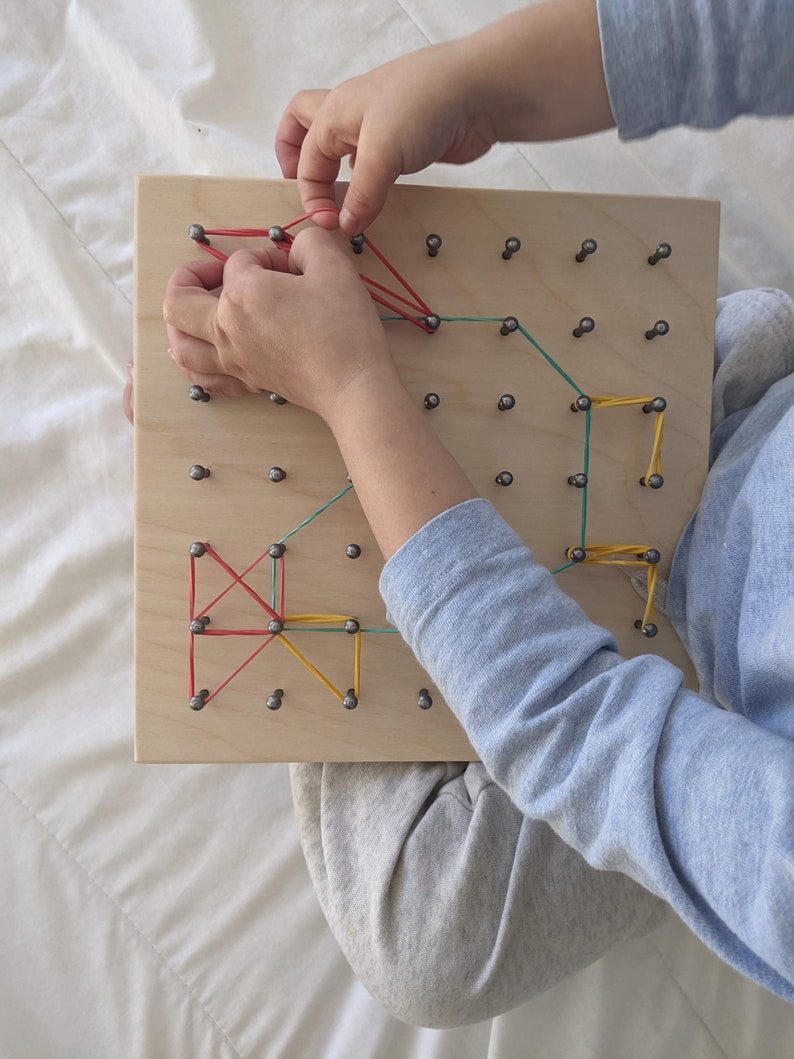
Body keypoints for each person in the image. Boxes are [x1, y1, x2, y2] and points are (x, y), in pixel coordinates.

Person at [160, 0, 794, 1026]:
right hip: (735, 421)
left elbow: (584, 735)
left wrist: (355, 404)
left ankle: (348, 437)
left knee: (426, 940)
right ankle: (366, 427)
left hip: (703, 713)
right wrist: (480, 79)